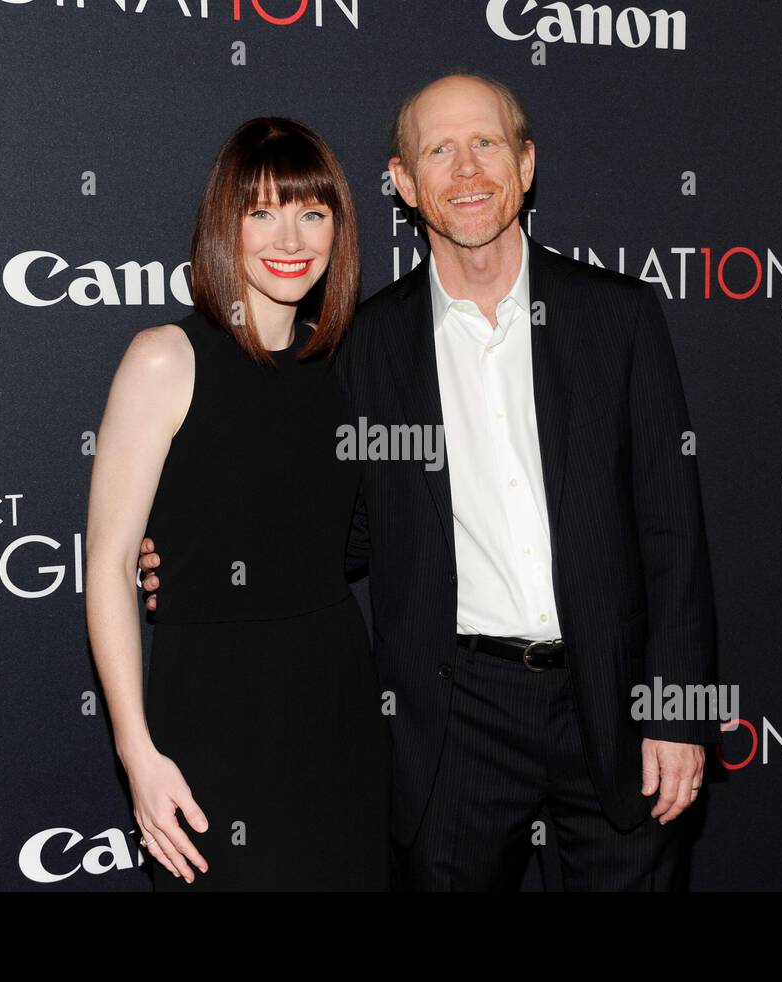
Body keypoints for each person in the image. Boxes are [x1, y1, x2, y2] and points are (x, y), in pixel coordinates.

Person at [143, 73, 721, 891]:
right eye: (438, 151)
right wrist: (198, 557)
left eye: (486, 144)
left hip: (616, 710)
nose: (467, 171)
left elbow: (673, 532)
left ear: (525, 164)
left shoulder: (617, 318)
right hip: (453, 723)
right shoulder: (368, 347)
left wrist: (677, 710)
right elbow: (330, 528)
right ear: (404, 185)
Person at [84, 116, 390, 891]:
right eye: (261, 212)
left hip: (338, 703)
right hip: (211, 711)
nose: (290, 236)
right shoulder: (166, 358)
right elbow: (113, 565)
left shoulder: (346, 369)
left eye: (312, 212)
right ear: (226, 224)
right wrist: (137, 751)